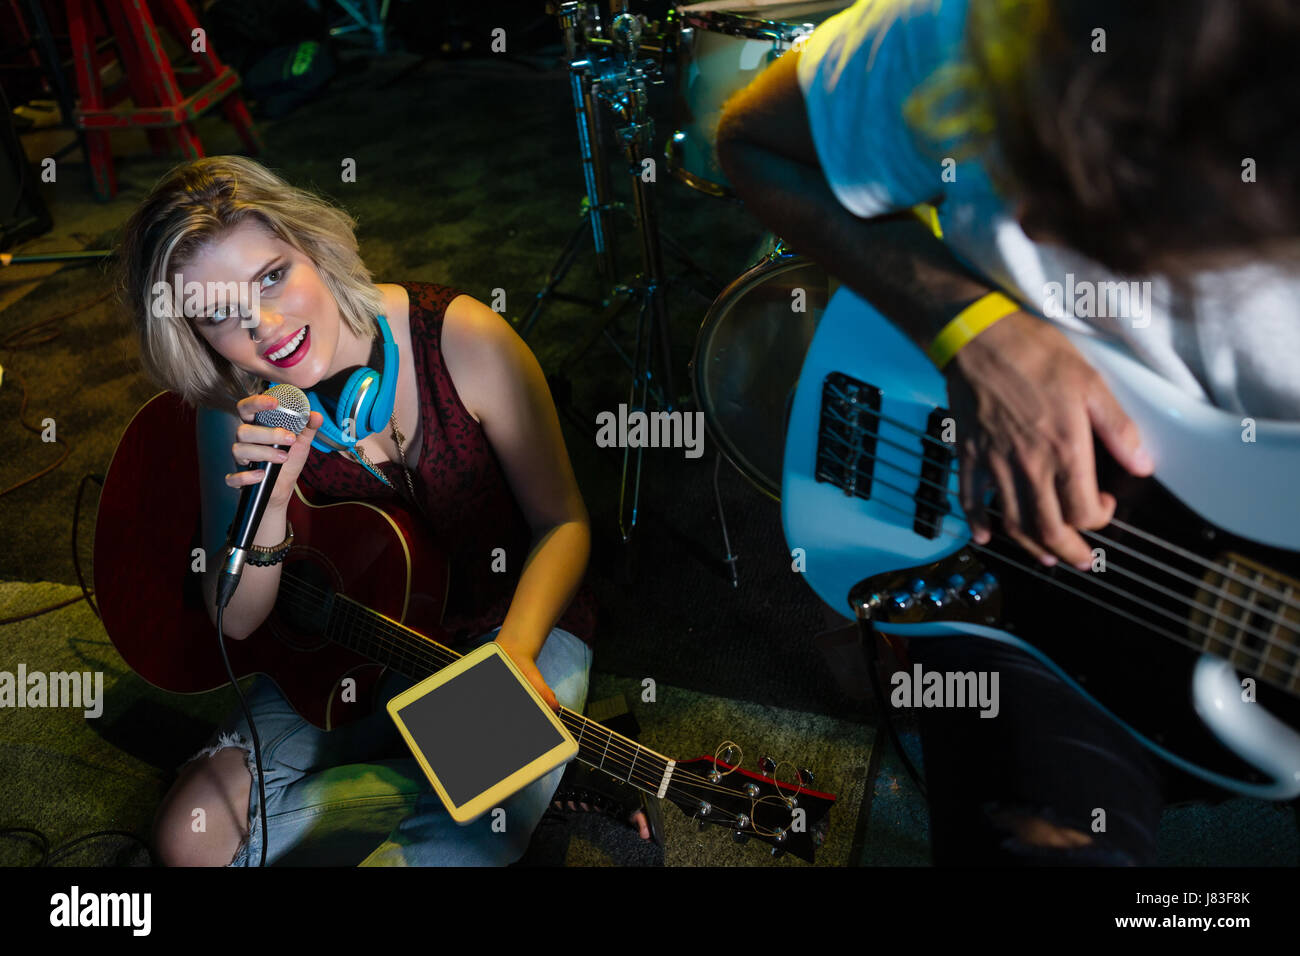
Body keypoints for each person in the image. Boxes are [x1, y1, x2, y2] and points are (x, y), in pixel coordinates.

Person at [717, 0, 1300, 863]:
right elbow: (756, 144)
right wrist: (969, 324)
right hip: (997, 581)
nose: (1027, 228)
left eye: (1106, 221)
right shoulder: (967, 25)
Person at [116, 155, 648, 865]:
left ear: (313, 247)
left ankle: (499, 784)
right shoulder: (233, 409)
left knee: (453, 848)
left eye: (273, 276)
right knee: (188, 838)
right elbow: (236, 617)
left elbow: (564, 524)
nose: (266, 326)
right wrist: (268, 507)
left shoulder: (462, 337)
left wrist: (514, 656)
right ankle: (529, 782)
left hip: (507, 623)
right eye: (219, 313)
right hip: (359, 641)